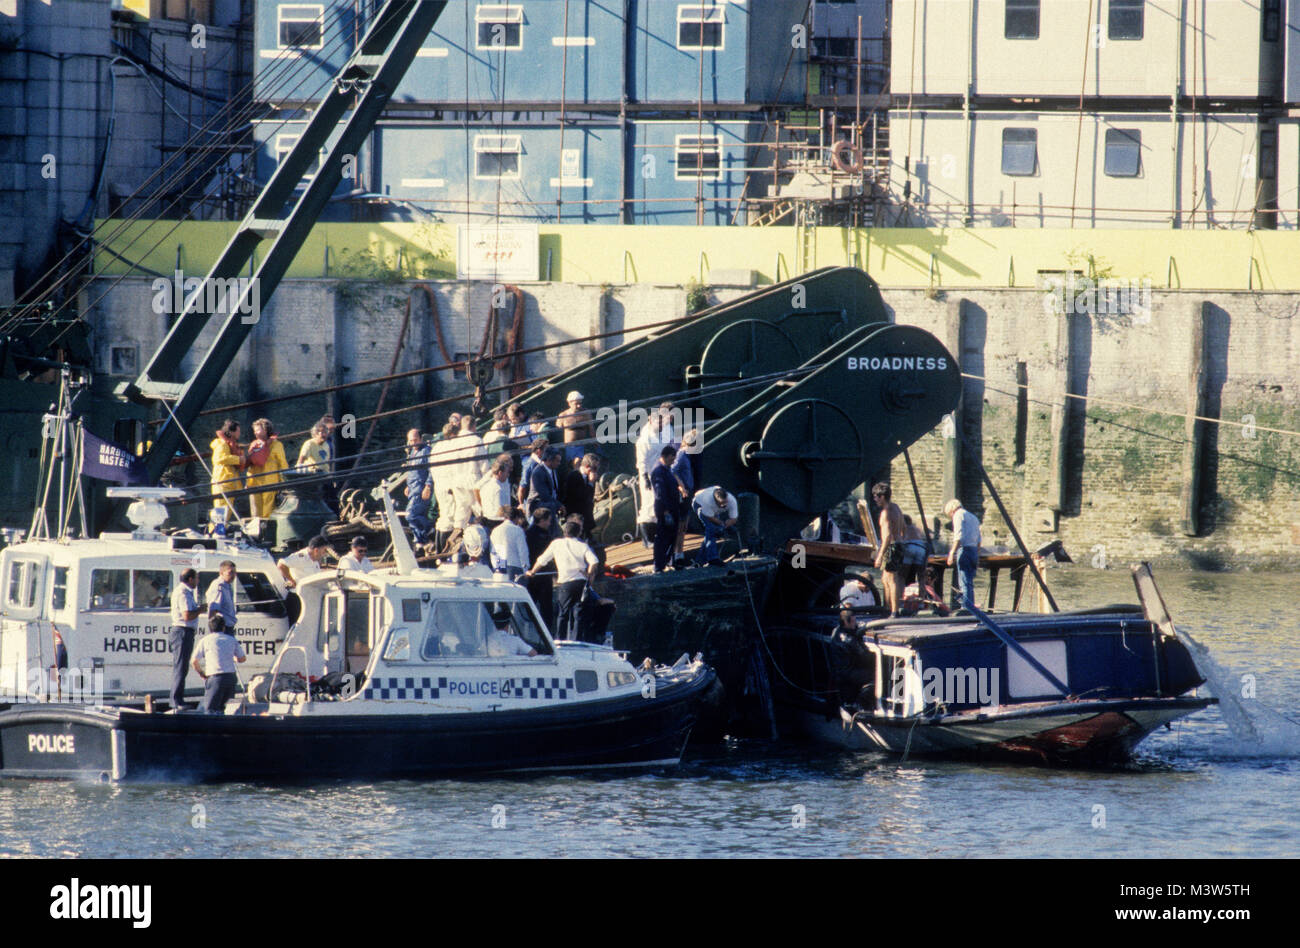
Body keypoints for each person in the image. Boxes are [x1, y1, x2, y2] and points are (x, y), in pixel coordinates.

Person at [525, 520, 600, 642]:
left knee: (562, 613)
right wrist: (589, 576)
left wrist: (532, 571)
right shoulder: (583, 545)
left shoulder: (556, 544)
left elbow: (542, 560)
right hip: (581, 582)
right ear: (578, 533)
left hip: (566, 583)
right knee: (578, 614)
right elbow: (594, 562)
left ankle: (560, 639)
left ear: (565, 532)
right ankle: (576, 641)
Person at [191, 609, 247, 714]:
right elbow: (242, 659)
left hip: (215, 678)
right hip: (230, 678)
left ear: (210, 628)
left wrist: (202, 674)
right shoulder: (231, 639)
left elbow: (194, 661)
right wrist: (233, 657)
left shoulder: (205, 640)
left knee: (210, 710)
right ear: (223, 627)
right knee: (228, 711)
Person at [635, 403, 676, 539]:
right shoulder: (644, 439)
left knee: (660, 503)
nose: (660, 425)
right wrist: (644, 477)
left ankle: (658, 533)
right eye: (657, 422)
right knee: (648, 504)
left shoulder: (664, 432)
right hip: (649, 473)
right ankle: (647, 538)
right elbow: (641, 461)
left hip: (662, 472)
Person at [168, 568, 201, 711]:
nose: (198, 581)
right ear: (190, 579)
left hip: (185, 632)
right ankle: (176, 701)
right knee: (180, 667)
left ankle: (178, 699)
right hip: (182, 632)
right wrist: (201, 609)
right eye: (196, 578)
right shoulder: (183, 593)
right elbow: (187, 615)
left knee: (182, 667)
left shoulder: (186, 592)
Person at [872, 482, 906, 617]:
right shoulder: (896, 508)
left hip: (891, 546)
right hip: (898, 544)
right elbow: (904, 528)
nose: (874, 499)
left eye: (875, 496)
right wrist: (900, 541)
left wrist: (880, 556)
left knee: (891, 580)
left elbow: (886, 537)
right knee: (885, 579)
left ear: (882, 497)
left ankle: (894, 611)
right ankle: (888, 608)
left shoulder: (885, 513)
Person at [245, 417, 287, 520]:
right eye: (254, 430)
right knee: (255, 513)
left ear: (266, 430)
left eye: (258, 430)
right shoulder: (254, 445)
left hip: (270, 483)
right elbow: (250, 464)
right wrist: (248, 482)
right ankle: (256, 533)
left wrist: (284, 482)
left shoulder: (277, 445)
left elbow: (283, 464)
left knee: (268, 512)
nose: (255, 432)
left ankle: (267, 533)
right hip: (254, 483)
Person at [945, 499, 982, 609]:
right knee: (969, 582)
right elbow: (979, 539)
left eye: (949, 515)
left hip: (964, 550)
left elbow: (958, 536)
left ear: (951, 510)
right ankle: (971, 606)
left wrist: (952, 553)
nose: (951, 517)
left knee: (964, 581)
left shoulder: (958, 515)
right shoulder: (973, 517)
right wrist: (977, 554)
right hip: (974, 550)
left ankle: (966, 607)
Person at [692, 485, 738, 567]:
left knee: (712, 532)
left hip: (714, 508)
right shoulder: (707, 501)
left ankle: (699, 560)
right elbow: (711, 518)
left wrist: (728, 524)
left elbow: (734, 518)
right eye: (722, 504)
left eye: (725, 504)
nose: (724, 506)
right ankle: (713, 558)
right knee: (711, 529)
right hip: (700, 504)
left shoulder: (732, 500)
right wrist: (722, 524)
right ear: (716, 501)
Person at [650, 445, 679, 572]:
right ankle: (659, 564)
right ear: (665, 457)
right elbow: (659, 493)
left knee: (672, 535)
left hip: (672, 507)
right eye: (672, 458)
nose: (673, 461)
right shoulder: (658, 471)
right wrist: (666, 511)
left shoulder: (667, 469)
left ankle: (668, 561)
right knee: (663, 537)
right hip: (665, 509)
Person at [401, 429, 432, 544]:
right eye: (411, 441)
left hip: (421, 490)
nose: (413, 443)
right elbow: (411, 471)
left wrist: (428, 486)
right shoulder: (412, 453)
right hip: (412, 489)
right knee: (415, 516)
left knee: (411, 515)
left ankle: (429, 529)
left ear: (421, 439)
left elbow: (432, 470)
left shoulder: (426, 451)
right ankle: (420, 541)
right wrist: (408, 486)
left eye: (415, 440)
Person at [669, 437, 695, 568]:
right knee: (680, 525)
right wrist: (681, 487)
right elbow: (672, 471)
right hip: (683, 493)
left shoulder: (687, 455)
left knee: (683, 525)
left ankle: (680, 554)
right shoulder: (682, 454)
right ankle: (675, 555)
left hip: (688, 492)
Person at [209, 419, 244, 513]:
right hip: (223, 482)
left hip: (229, 483)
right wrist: (238, 459)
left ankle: (220, 527)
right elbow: (219, 458)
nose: (239, 433)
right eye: (238, 431)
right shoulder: (222, 444)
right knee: (221, 511)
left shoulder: (230, 444)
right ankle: (214, 528)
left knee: (227, 511)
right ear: (231, 432)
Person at [560, 453, 599, 537]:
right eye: (595, 468)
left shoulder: (589, 477)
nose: (596, 471)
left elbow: (590, 497)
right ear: (587, 467)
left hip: (586, 515)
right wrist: (590, 483)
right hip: (575, 513)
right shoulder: (573, 476)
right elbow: (580, 496)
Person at [490, 507, 530, 582]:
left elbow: (493, 550)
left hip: (499, 564)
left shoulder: (495, 530)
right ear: (516, 517)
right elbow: (523, 551)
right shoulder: (518, 530)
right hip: (515, 565)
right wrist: (525, 569)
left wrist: (495, 566)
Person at [475, 455, 513, 535]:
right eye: (509, 466)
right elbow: (476, 488)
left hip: (504, 510)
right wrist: (482, 505)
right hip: (496, 518)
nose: (511, 469)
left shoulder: (505, 477)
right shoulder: (491, 477)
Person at [557, 390, 595, 464]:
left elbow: (591, 429)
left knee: (578, 463)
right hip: (569, 447)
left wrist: (595, 442)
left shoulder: (586, 413)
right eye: (576, 404)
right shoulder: (563, 415)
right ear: (569, 403)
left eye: (580, 403)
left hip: (582, 446)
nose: (579, 406)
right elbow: (557, 431)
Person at [526, 446, 564, 518]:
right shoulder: (538, 473)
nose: (559, 463)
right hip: (537, 507)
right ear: (549, 460)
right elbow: (544, 496)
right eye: (557, 461)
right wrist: (559, 505)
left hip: (549, 505)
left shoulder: (553, 470)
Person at [205, 560, 238, 635]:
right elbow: (213, 610)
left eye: (235, 573)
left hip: (228, 627)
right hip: (222, 629)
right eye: (230, 573)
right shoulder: (218, 587)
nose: (233, 576)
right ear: (221, 573)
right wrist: (214, 632)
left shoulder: (227, 586)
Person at [900, 514, 930, 589]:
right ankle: (921, 596)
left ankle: (903, 594)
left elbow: (901, 540)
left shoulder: (902, 528)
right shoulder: (917, 529)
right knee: (921, 577)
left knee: (903, 576)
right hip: (921, 548)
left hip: (909, 546)